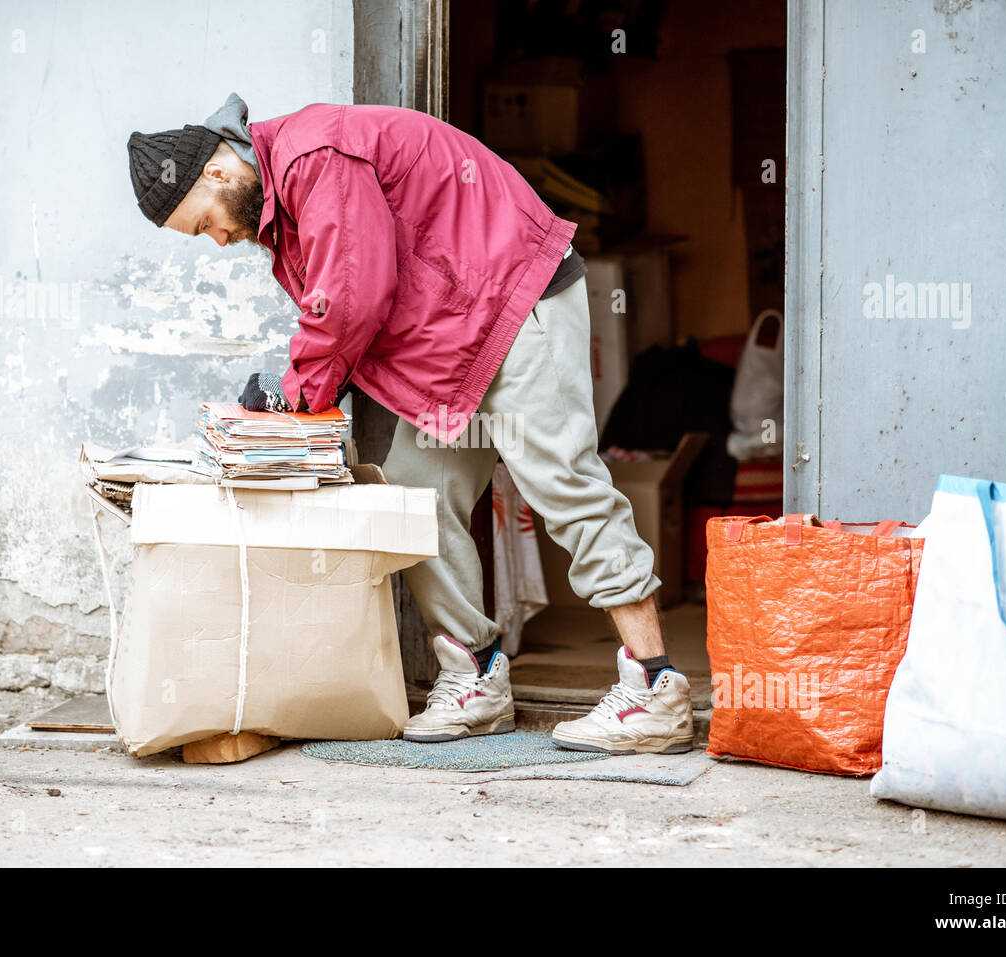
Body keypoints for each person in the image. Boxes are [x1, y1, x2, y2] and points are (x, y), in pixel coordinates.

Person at [126, 94, 694, 754]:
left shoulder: (315, 156)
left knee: (561, 481)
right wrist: (296, 402)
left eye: (205, 226)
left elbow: (351, 297)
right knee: (414, 497)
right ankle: (476, 677)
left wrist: (294, 402)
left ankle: (656, 686)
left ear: (219, 173)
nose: (219, 241)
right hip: (456, 336)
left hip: (513, 298)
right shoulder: (280, 198)